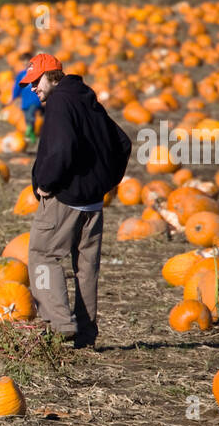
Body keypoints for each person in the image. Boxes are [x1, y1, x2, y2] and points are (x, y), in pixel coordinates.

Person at [22, 53, 131, 349]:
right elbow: (123, 142)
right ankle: (85, 334)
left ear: (51, 76)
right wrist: (104, 183)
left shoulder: (59, 102)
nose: (32, 89)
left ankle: (59, 323)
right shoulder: (85, 97)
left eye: (35, 82)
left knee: (42, 256)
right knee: (86, 268)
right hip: (94, 203)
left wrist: (45, 183)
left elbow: (61, 149)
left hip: (65, 200)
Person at [10, 53, 44, 146]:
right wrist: (13, 98)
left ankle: (29, 133)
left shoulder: (38, 73)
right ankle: (33, 136)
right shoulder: (21, 75)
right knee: (28, 118)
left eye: (27, 61)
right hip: (25, 102)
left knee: (30, 116)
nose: (25, 63)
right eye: (23, 62)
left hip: (35, 100)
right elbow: (17, 87)